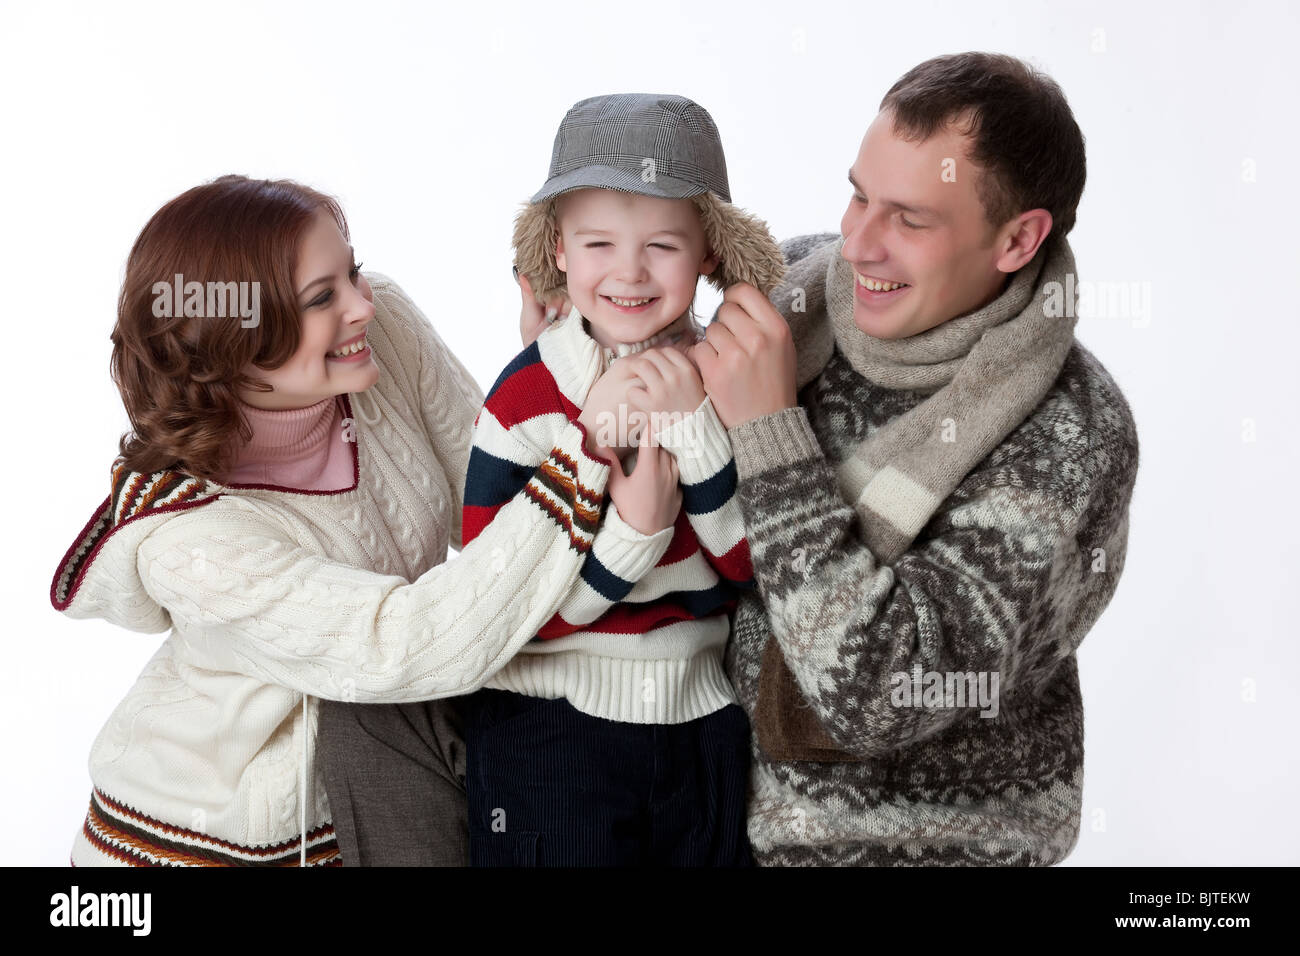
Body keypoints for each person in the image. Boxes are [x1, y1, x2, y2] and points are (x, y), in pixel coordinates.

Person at [49, 174, 631, 866]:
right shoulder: (190, 544)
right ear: (232, 341)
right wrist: (589, 447)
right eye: (322, 298)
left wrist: (551, 379)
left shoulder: (385, 335)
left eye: (350, 271)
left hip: (380, 782)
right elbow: (405, 644)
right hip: (211, 844)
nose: (362, 303)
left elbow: (490, 513)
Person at [682, 52, 1140, 865]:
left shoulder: (1072, 433)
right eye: (858, 194)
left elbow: (880, 694)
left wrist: (770, 433)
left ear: (1018, 238)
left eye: (909, 218)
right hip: (715, 820)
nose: (858, 245)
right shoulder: (796, 299)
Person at [322, 93, 786, 866]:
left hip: (700, 727)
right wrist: (630, 539)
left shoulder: (732, 379)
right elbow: (500, 603)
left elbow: (753, 568)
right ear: (558, 252)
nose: (630, 273)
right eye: (598, 243)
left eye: (663, 246)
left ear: (709, 249)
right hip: (553, 728)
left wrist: (697, 430)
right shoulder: (527, 399)